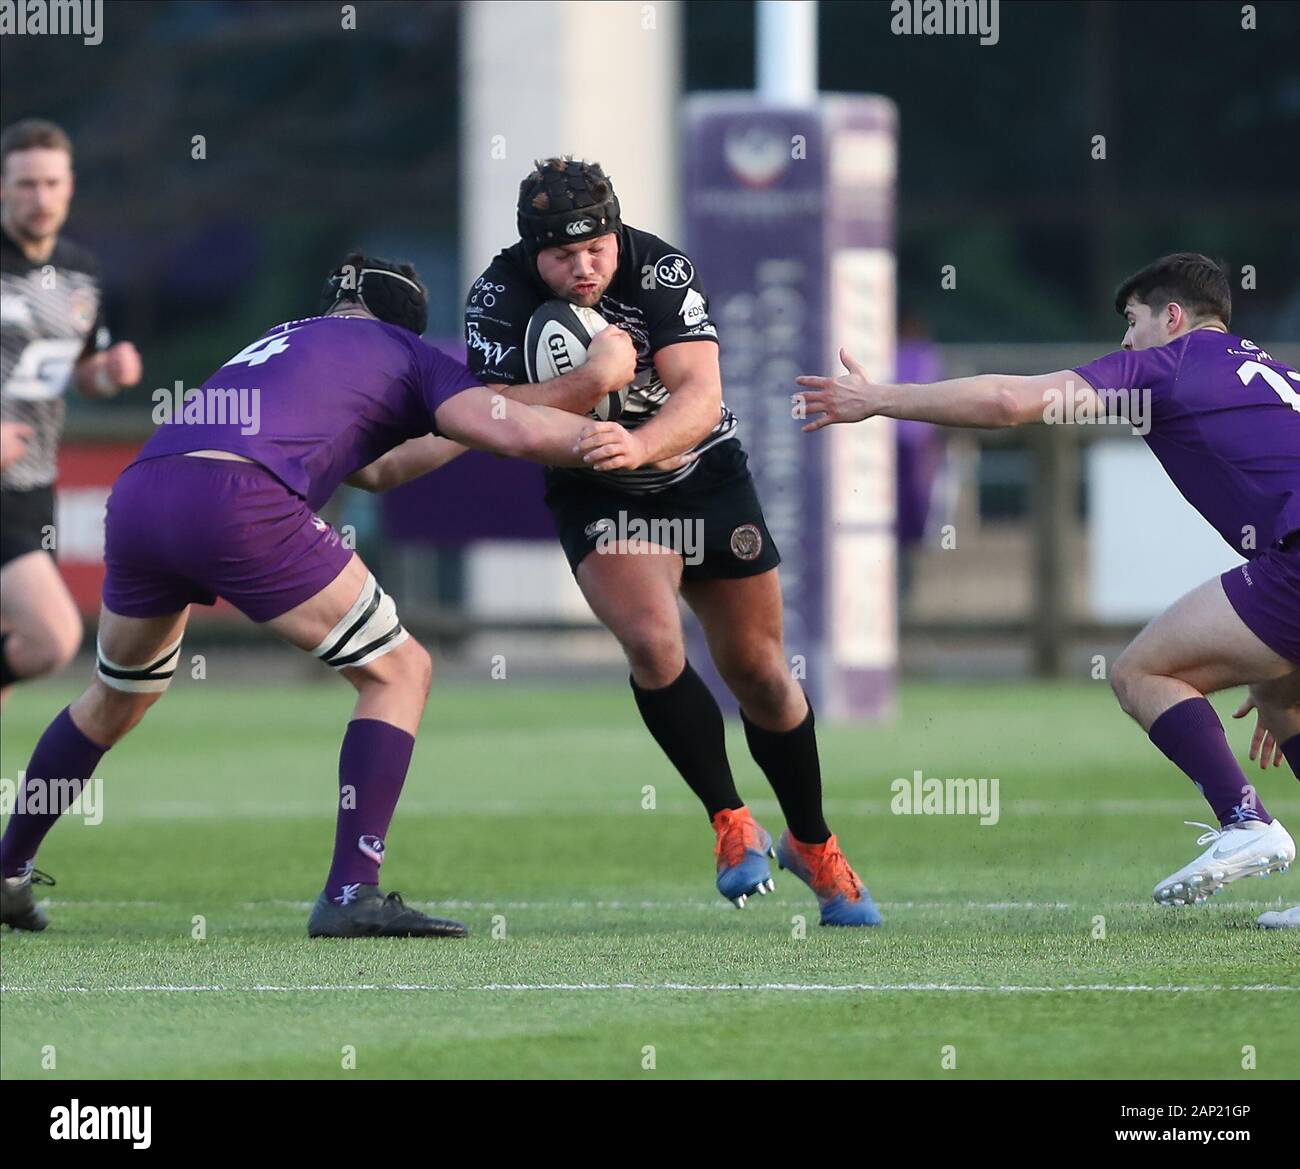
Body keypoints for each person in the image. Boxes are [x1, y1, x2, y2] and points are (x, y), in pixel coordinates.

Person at [0, 253, 643, 937]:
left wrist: (480, 416)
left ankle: (8, 866)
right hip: (240, 500)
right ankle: (350, 889)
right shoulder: (402, 350)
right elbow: (511, 431)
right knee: (401, 670)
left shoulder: (285, 339)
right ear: (409, 324)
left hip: (143, 492)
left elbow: (383, 467)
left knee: (114, 697)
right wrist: (597, 386)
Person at [366, 157, 882, 925]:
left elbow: (701, 396)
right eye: (563, 256)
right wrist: (588, 396)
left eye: (597, 249)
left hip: (700, 473)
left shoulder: (660, 267)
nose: (584, 268)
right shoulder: (497, 295)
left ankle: (812, 841)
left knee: (761, 673)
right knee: (652, 640)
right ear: (531, 252)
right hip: (594, 487)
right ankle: (732, 822)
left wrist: (640, 446)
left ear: (616, 232)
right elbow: (498, 417)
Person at [796, 253, 1298, 925]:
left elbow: (1012, 403)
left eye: (1133, 320)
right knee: (1276, 686)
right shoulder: (1271, 370)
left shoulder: (1168, 364)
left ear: (1172, 318)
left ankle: (1246, 821)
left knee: (1144, 671)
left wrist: (878, 399)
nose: (1125, 339)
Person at [1, 119, 143, 704]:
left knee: (12, 643)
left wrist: (105, 373)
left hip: (34, 481)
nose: (41, 197)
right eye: (27, 183)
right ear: (3, 187)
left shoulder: (82, 270)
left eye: (51, 183)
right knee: (52, 638)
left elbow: (77, 367)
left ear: (70, 187)